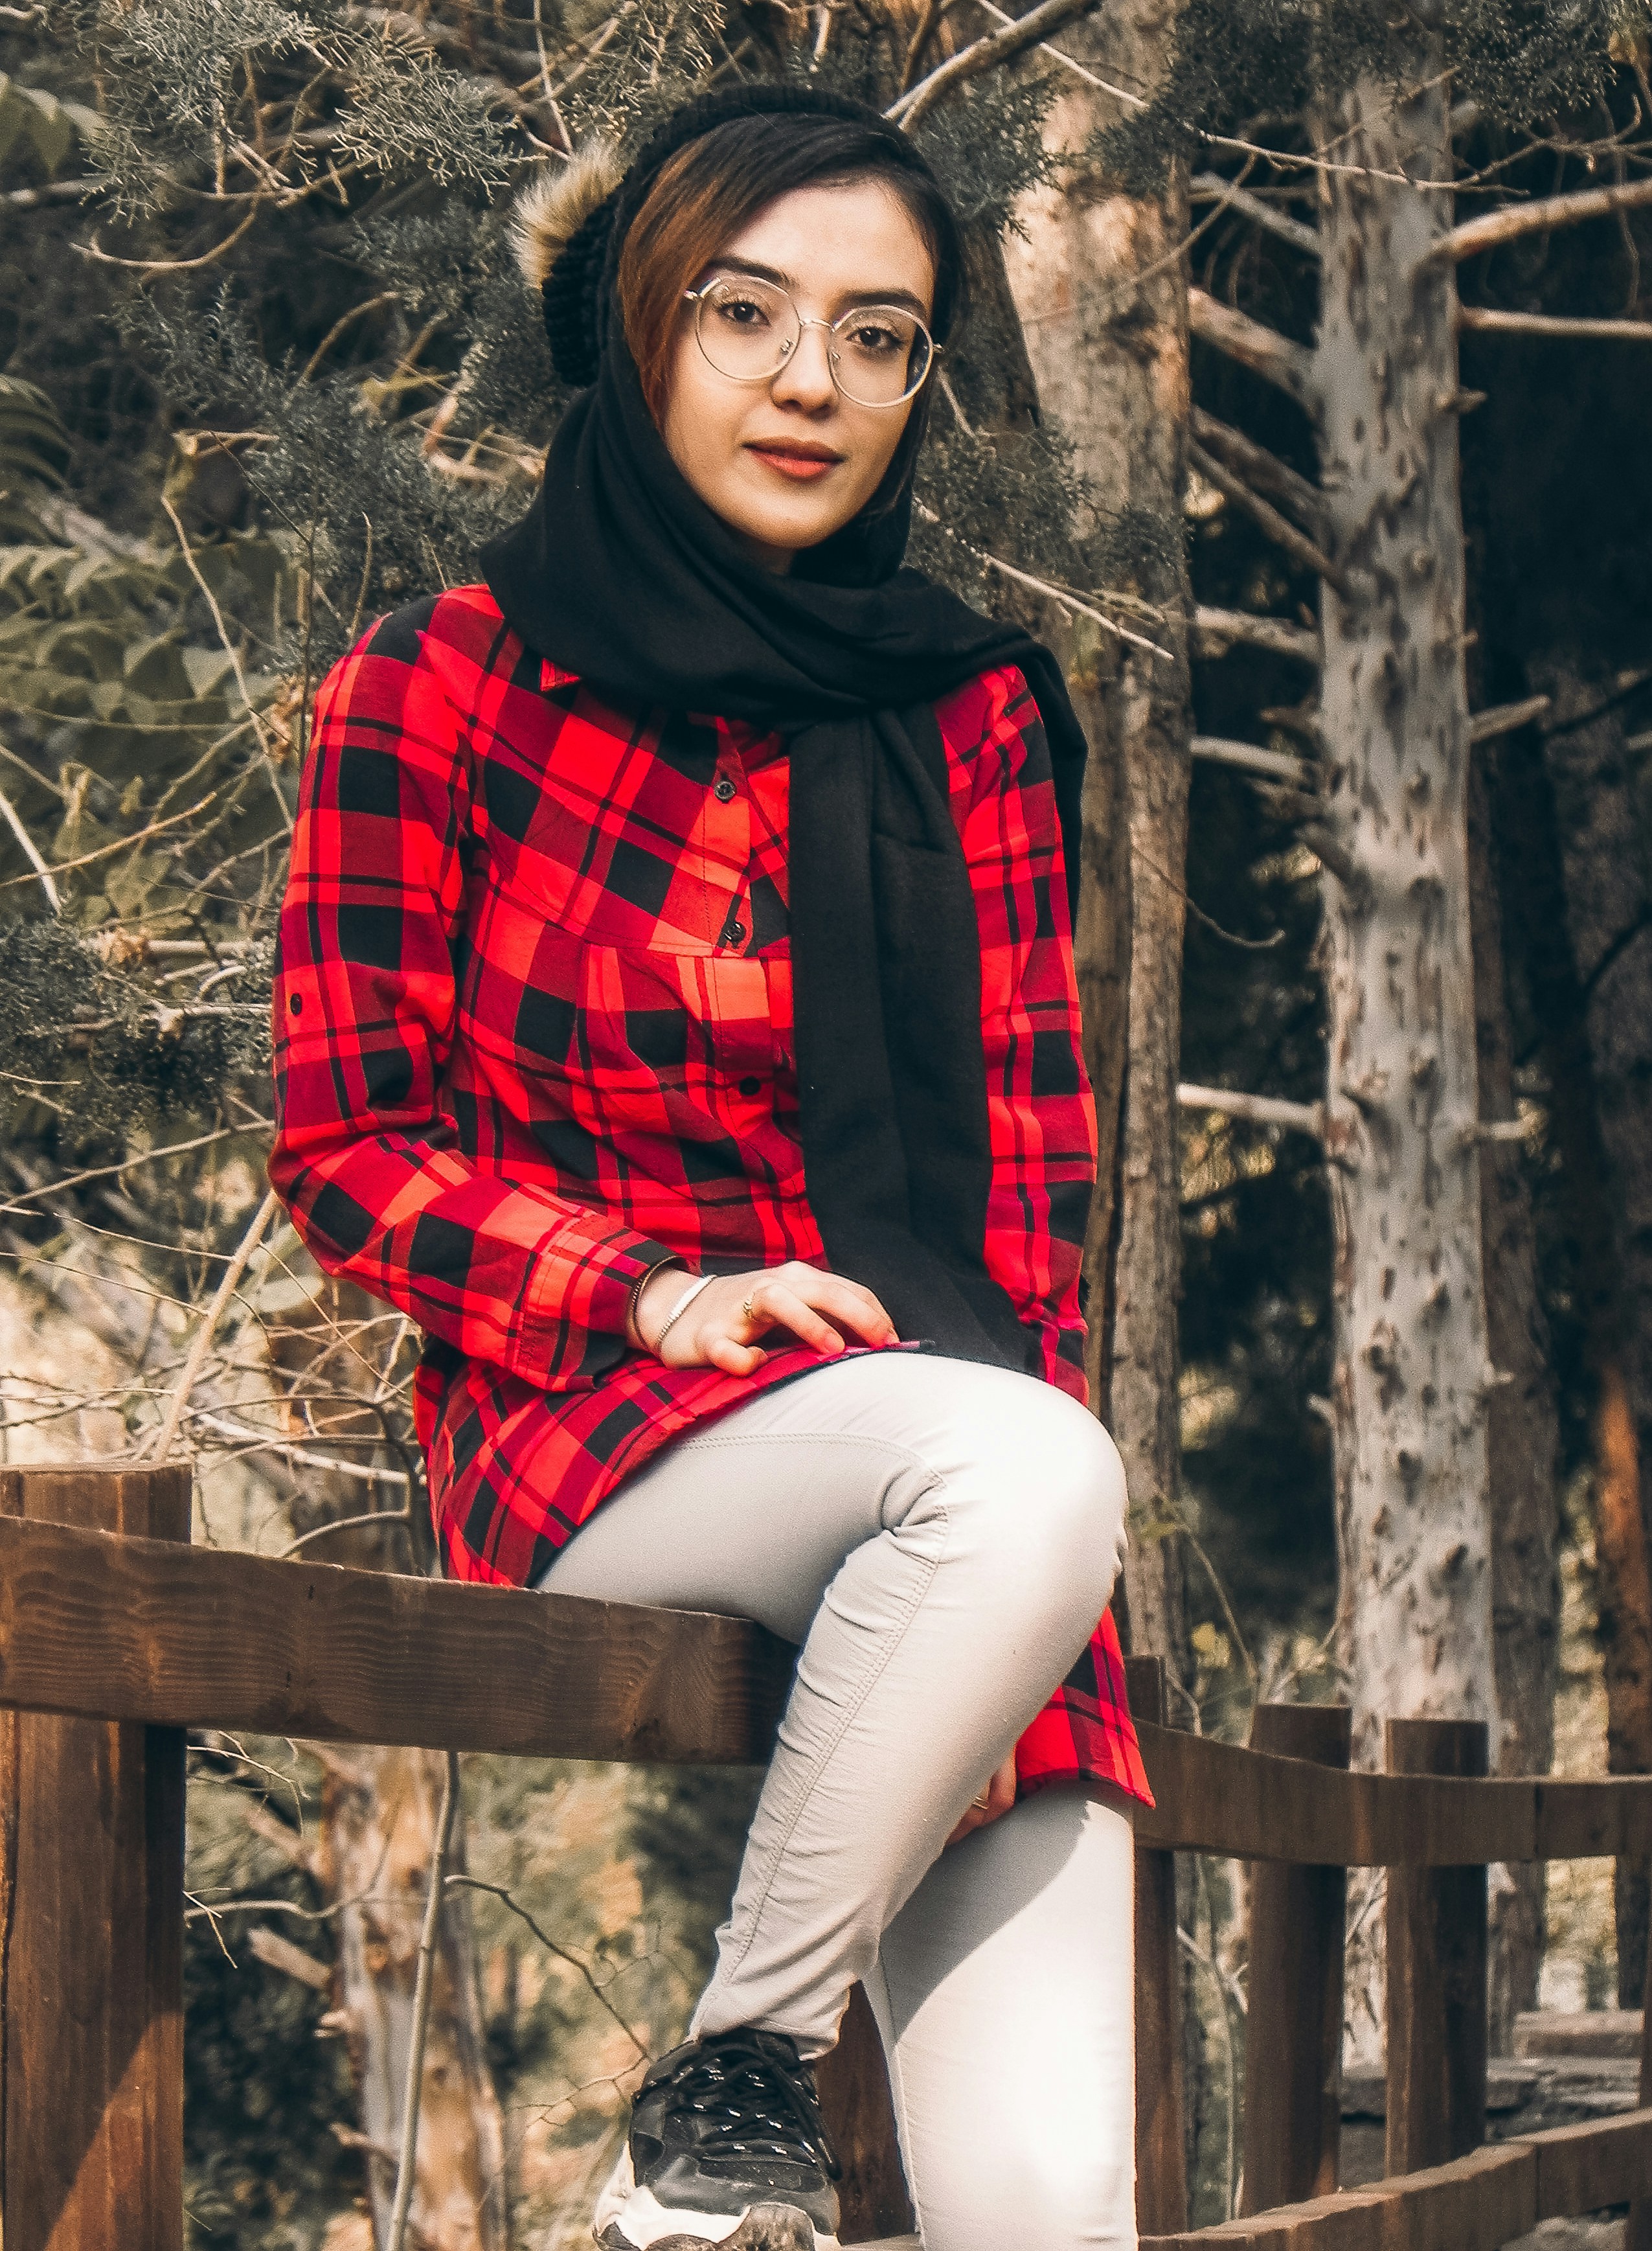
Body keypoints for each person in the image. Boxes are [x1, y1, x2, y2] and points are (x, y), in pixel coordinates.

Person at [269, 83, 1149, 2251]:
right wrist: (645, 1291)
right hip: (604, 1425)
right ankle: (734, 2080)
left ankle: (691, 2165)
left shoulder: (972, 713)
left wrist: (1025, 1578)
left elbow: (1031, 1182)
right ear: (640, 321)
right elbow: (348, 1146)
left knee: (1055, 2204)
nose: (810, 383)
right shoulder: (436, 688)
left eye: (880, 335)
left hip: (959, 1487)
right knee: (1024, 1467)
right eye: (748, 313)